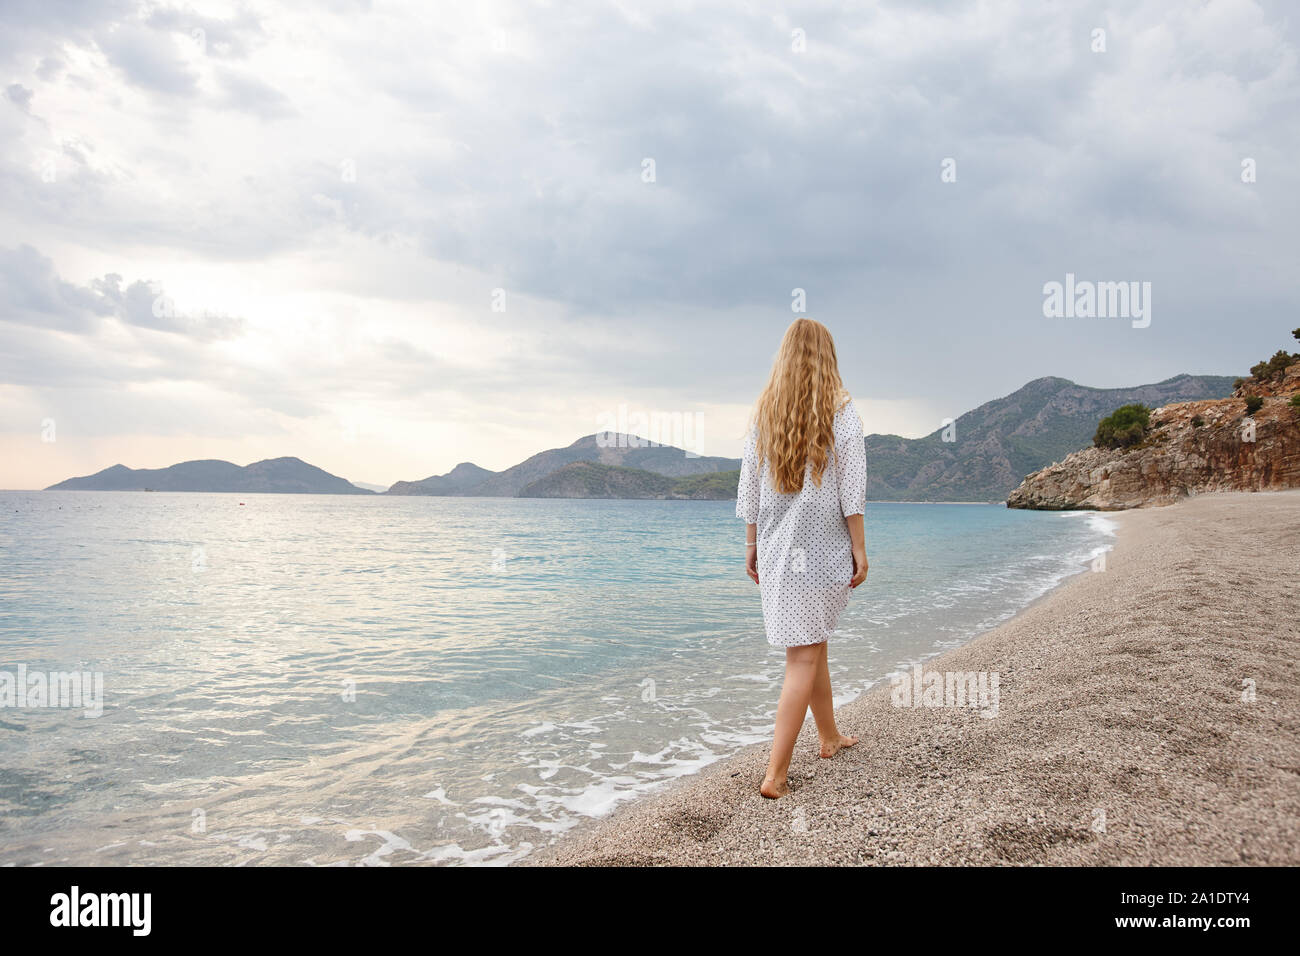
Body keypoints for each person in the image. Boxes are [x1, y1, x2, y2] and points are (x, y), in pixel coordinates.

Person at [736, 317, 869, 799]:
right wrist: (859, 548)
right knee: (804, 655)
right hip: (820, 553)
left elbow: (748, 488)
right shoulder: (843, 413)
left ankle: (829, 736)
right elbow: (852, 490)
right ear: (827, 358)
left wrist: (750, 546)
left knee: (813, 643)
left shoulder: (765, 413)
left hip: (775, 554)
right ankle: (775, 775)